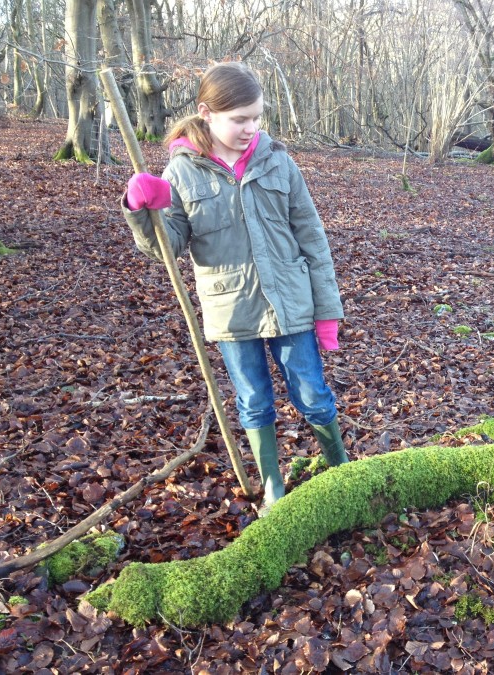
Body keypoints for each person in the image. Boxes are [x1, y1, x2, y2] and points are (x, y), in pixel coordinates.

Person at [121, 61, 349, 515]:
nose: (251, 128)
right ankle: (273, 487)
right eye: (239, 119)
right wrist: (141, 208)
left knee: (312, 395)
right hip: (230, 311)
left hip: (291, 304)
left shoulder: (278, 162)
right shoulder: (182, 173)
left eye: (257, 117)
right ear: (207, 113)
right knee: (253, 400)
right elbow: (168, 248)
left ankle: (341, 468)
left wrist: (328, 311)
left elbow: (313, 240)